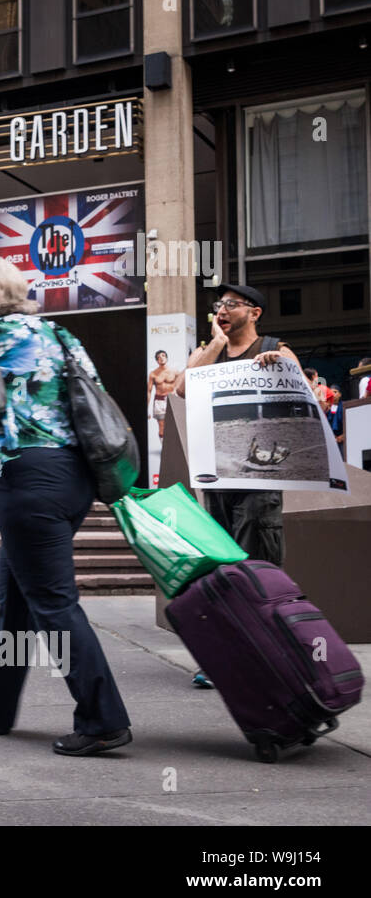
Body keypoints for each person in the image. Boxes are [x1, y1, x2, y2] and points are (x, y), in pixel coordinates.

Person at [0, 258, 132, 756]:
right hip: (75, 478)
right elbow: (96, 394)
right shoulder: (60, 336)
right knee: (17, 598)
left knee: (53, 603)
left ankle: (102, 719)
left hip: (27, 480)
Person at [175, 283, 298, 689]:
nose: (222, 310)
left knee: (259, 569)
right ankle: (223, 659)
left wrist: (280, 367)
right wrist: (217, 343)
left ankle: (270, 658)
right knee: (222, 572)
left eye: (231, 305)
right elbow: (182, 388)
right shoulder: (207, 351)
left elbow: (305, 396)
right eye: (219, 305)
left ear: (255, 312)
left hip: (259, 481)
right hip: (217, 479)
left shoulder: (275, 348)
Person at [146, 349, 176, 440]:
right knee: (162, 426)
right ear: (157, 360)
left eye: (163, 356)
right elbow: (149, 391)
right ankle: (164, 450)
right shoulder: (153, 374)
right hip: (159, 402)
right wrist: (147, 409)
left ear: (166, 358)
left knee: (174, 425)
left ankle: (173, 448)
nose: (161, 358)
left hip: (172, 400)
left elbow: (181, 387)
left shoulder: (174, 372)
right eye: (159, 357)